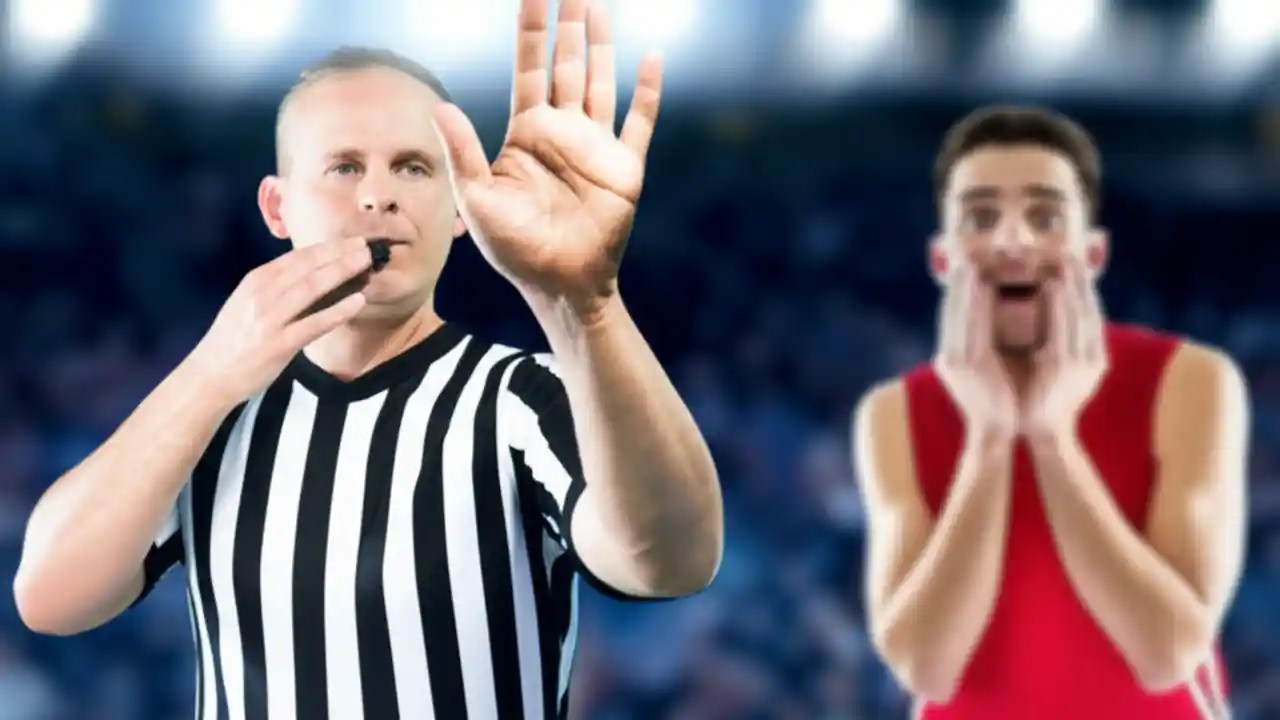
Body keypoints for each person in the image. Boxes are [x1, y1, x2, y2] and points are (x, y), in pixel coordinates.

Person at [12, 0, 724, 717]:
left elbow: (672, 560)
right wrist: (208, 374)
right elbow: (50, 596)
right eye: (344, 166)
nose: (378, 195)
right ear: (277, 208)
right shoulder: (211, 417)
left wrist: (585, 303)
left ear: (460, 210)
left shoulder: (519, 398)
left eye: (414, 168)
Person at [852, 105, 1249, 719]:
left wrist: (1051, 438)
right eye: (981, 217)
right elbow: (927, 666)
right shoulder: (893, 413)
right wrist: (987, 438)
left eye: (1045, 215)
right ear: (943, 259)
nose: (1013, 240)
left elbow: (1168, 652)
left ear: (1092, 256)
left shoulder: (1191, 381)